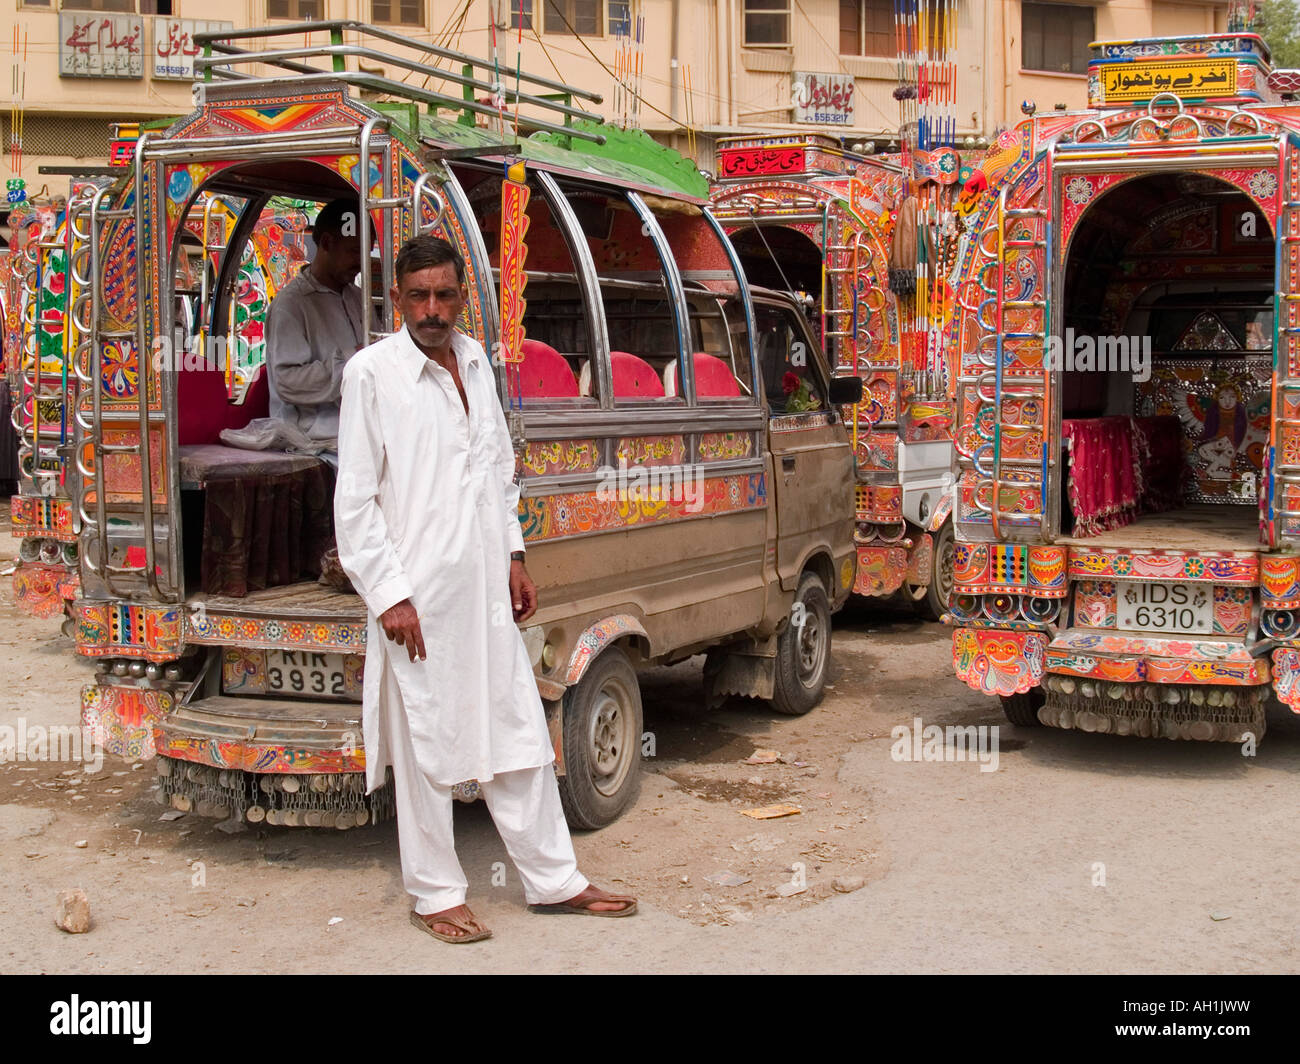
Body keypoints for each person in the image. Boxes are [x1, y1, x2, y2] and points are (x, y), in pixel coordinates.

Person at [334, 234, 636, 943]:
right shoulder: (372, 375)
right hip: (418, 599)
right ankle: (436, 893)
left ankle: (554, 880)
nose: (432, 309)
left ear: (461, 296)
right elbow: (354, 505)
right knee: (427, 746)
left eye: (444, 295)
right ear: (398, 299)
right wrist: (390, 596)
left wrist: (513, 554)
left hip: (485, 595)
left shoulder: (474, 360)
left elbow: (497, 471)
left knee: (516, 730)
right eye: (418, 296)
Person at [264, 198, 371, 464]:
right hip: (313, 442)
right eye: (354, 251)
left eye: (366, 252)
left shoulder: (358, 298)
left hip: (357, 432)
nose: (362, 261)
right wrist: (351, 362)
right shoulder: (291, 305)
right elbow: (287, 382)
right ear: (325, 244)